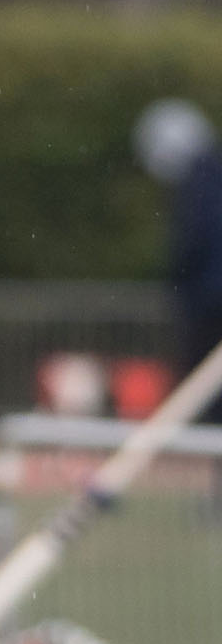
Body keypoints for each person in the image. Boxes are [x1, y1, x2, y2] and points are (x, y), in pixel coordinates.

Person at [135, 99, 222, 420]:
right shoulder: (212, 174)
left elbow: (192, 247)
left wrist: (180, 291)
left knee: (209, 399)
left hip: (209, 306)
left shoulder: (198, 184)